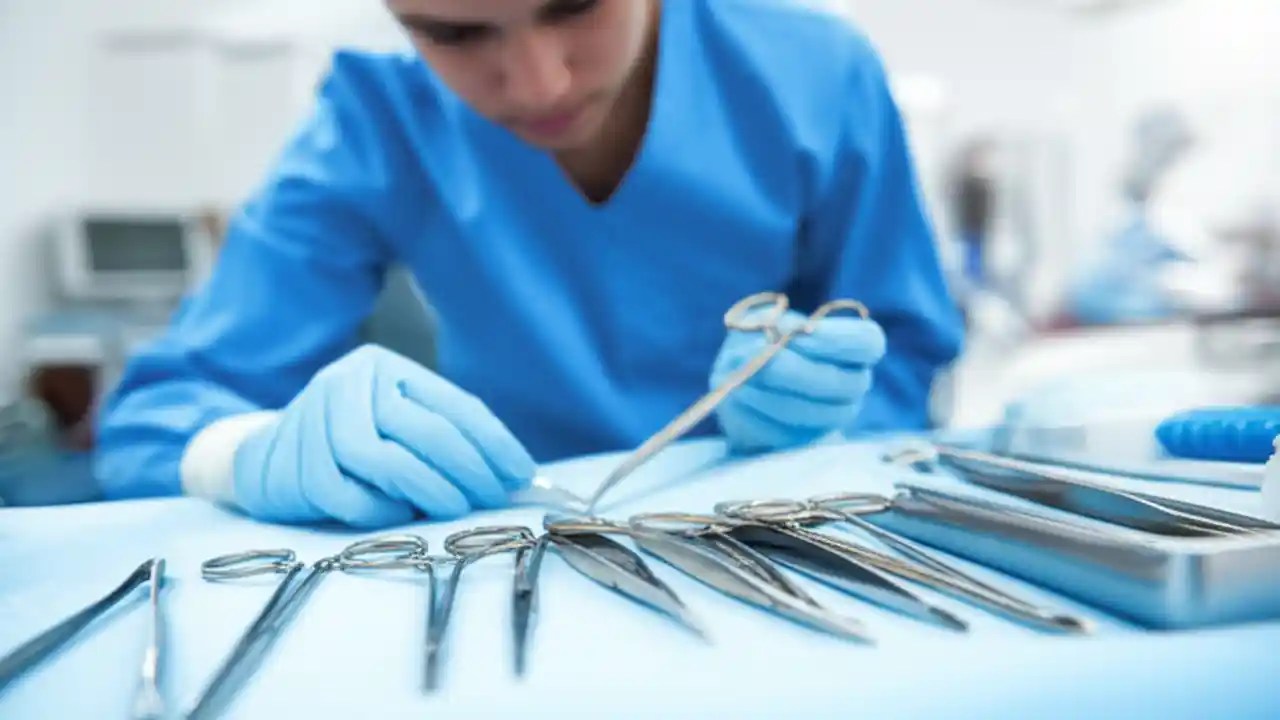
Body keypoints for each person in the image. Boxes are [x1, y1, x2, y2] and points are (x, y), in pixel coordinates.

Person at [94, 0, 964, 528]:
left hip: (774, 524)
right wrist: (249, 450)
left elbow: (907, 344)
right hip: (520, 535)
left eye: (575, 3)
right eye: (454, 31)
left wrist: (827, 415)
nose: (540, 82)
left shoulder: (813, 71)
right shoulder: (381, 112)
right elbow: (157, 415)